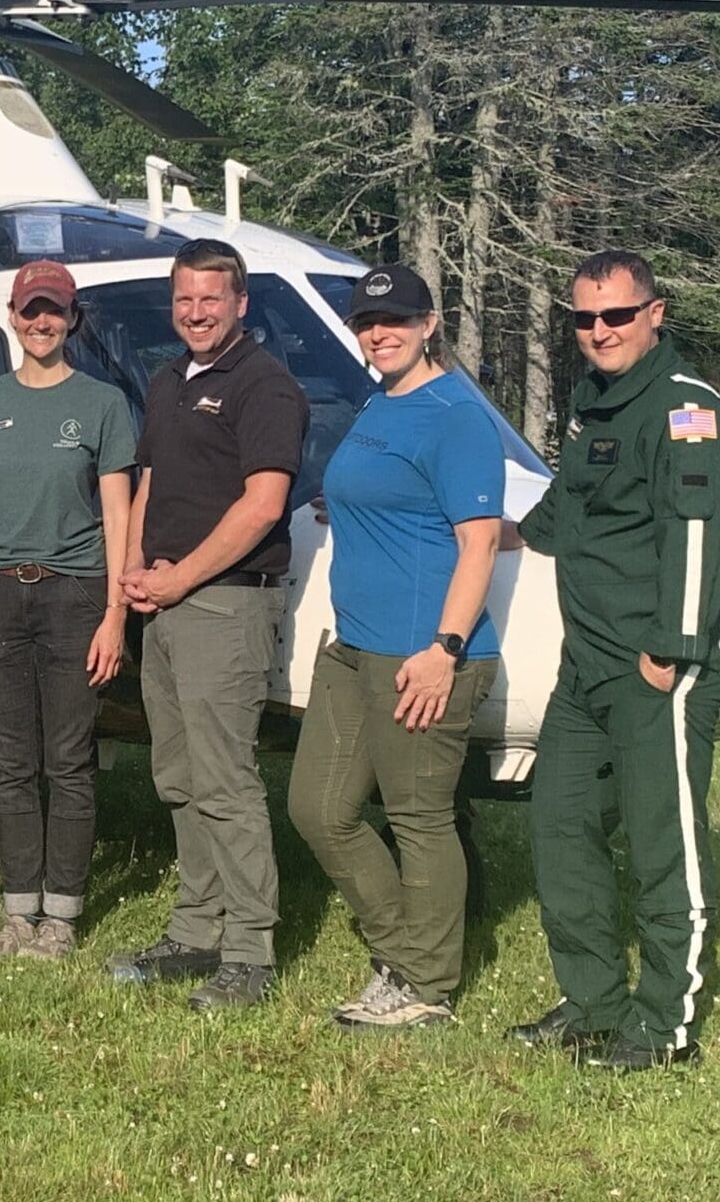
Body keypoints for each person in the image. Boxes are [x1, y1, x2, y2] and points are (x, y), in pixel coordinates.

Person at [511, 250, 720, 1072]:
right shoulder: (594, 403)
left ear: (655, 312)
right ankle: (593, 1000)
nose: (599, 331)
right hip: (588, 666)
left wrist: (668, 653)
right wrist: (503, 535)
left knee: (660, 844)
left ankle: (665, 1024)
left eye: (615, 314)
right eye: (583, 318)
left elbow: (699, 536)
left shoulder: (687, 410)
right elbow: (568, 501)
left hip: (657, 665)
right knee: (560, 825)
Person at [286, 263, 504, 1030]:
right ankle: (399, 947)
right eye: (367, 324)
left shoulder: (456, 415)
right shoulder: (383, 400)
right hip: (352, 647)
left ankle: (427, 986)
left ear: (429, 323)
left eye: (396, 322)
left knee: (418, 817)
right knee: (317, 808)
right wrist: (339, 496)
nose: (380, 335)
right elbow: (387, 489)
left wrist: (444, 649)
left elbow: (478, 543)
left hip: (420, 655)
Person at [116, 239, 308, 1011]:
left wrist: (178, 579)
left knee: (226, 781)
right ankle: (196, 930)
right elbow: (151, 482)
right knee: (178, 777)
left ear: (241, 305)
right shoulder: (167, 381)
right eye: (184, 300)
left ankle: (249, 953)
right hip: (163, 603)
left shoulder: (267, 386)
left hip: (224, 600)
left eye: (211, 300)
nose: (196, 313)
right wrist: (134, 577)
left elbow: (263, 504)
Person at [0, 259, 136, 960]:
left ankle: (63, 916)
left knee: (68, 759)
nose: (41, 322)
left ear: (72, 319)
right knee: (14, 758)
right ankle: (20, 912)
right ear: (13, 317)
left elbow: (119, 514)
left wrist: (115, 614)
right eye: (30, 310)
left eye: (54, 311)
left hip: (74, 593)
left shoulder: (103, 403)